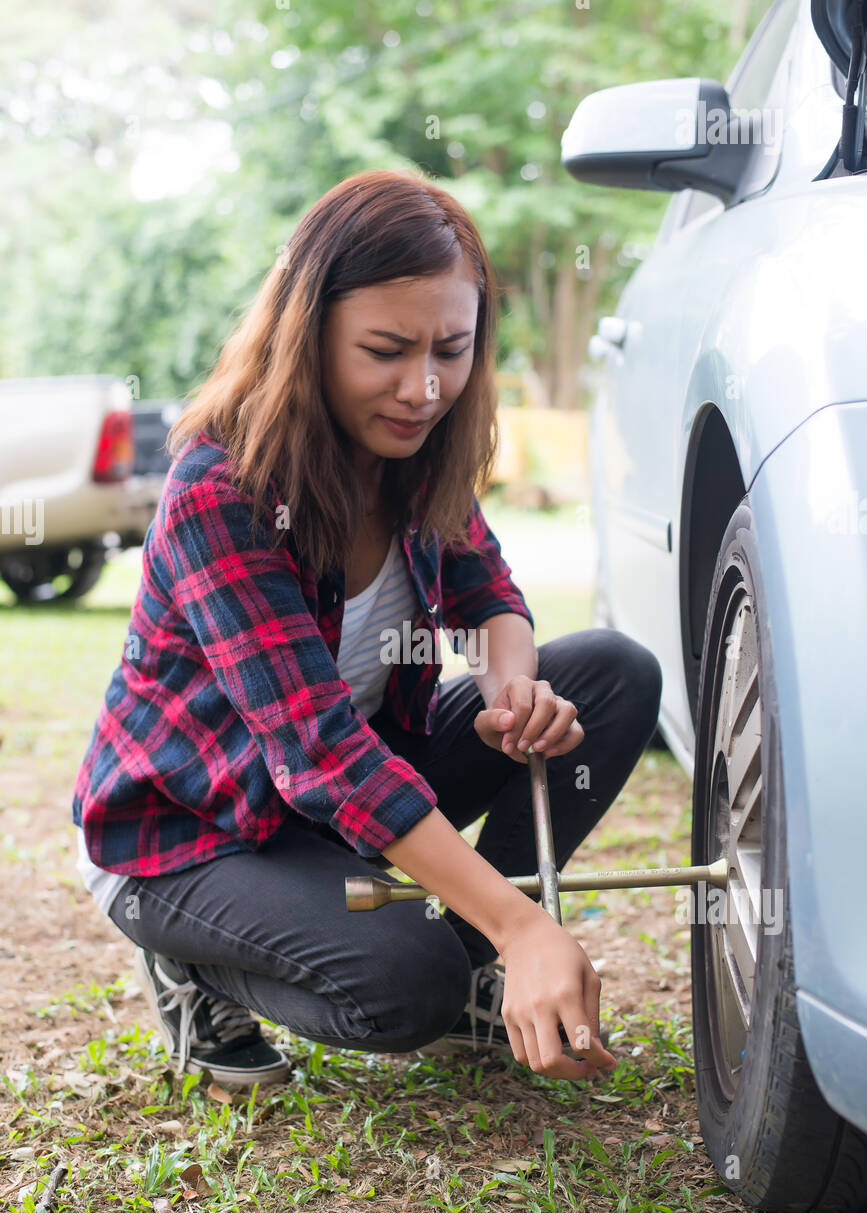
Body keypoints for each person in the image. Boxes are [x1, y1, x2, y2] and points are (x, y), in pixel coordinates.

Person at [71, 169, 662, 1091]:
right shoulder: (218, 492)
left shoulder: (416, 455)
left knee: (613, 672)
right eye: (385, 350)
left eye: (451, 350)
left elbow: (490, 593)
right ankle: (197, 964)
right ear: (307, 336)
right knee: (401, 989)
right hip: (196, 831)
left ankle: (471, 961)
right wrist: (522, 921)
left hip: (338, 798)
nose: (424, 388)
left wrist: (513, 689)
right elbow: (319, 751)